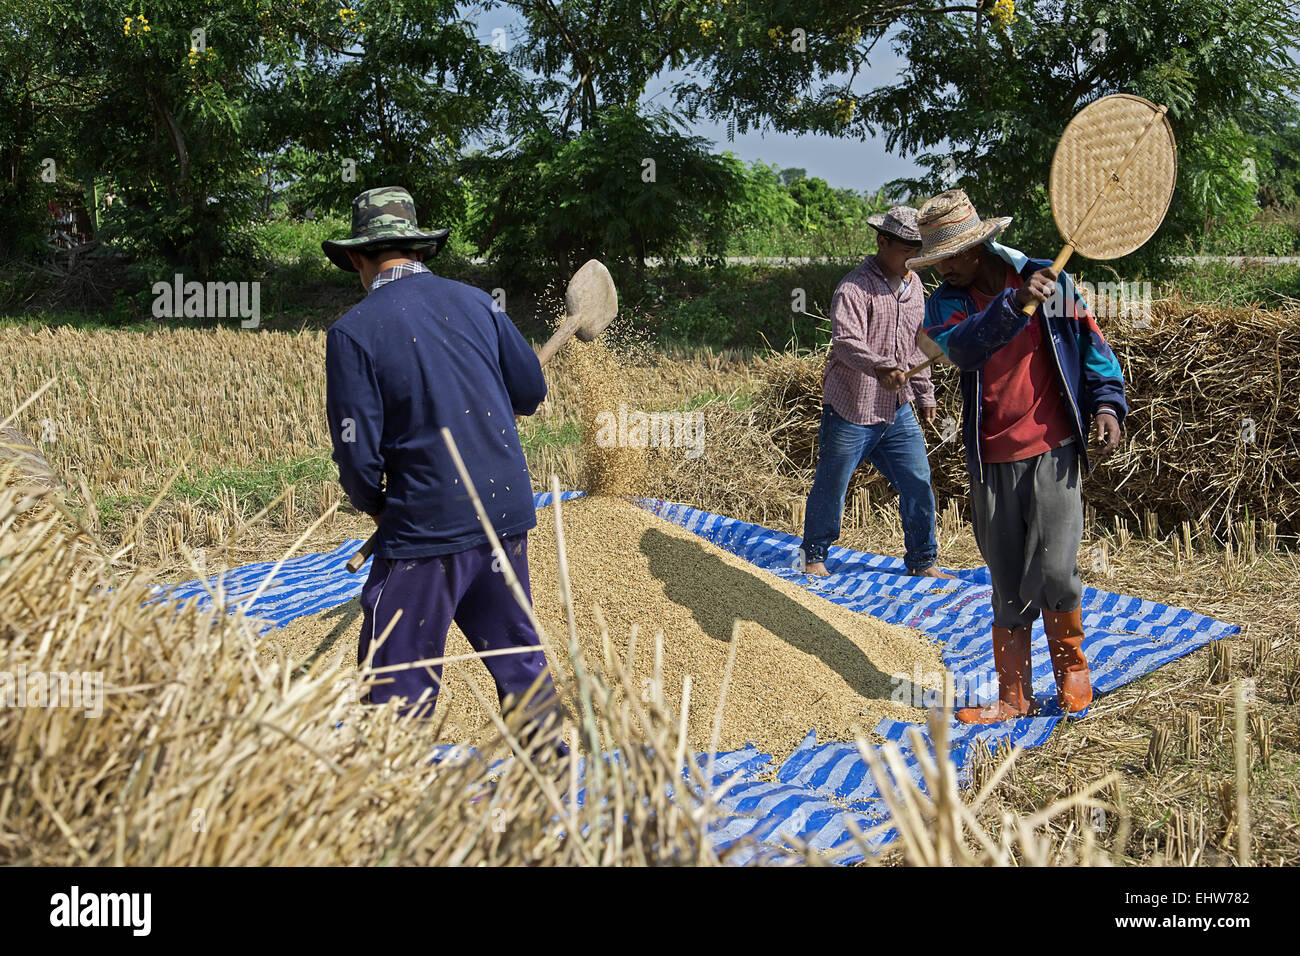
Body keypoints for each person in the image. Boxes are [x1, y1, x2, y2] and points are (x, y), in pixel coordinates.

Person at [321, 186, 564, 754]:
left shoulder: (352, 332)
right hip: (503, 515)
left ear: (359, 257)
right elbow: (529, 392)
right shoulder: (480, 304)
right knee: (516, 656)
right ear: (418, 249)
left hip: (425, 529)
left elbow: (357, 451)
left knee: (396, 679)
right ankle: (553, 777)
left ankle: (396, 800)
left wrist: (376, 504)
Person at [911, 189, 1127, 723]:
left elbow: (1091, 345)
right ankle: (1013, 695)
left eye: (947, 257)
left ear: (977, 247)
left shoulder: (1047, 278)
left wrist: (1107, 403)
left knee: (1055, 568)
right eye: (935, 259)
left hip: (1052, 449)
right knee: (1006, 578)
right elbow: (961, 348)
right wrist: (1012, 305)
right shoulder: (945, 302)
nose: (942, 268)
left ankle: (1072, 671)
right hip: (990, 456)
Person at [799, 205, 954, 580]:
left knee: (918, 481)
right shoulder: (854, 287)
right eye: (906, 249)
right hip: (852, 406)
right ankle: (813, 554)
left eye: (919, 250)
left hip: (897, 410)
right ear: (883, 242)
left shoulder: (915, 286)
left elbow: (918, 344)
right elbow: (847, 342)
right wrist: (880, 366)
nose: (914, 258)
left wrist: (925, 391)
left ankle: (922, 560)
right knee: (833, 483)